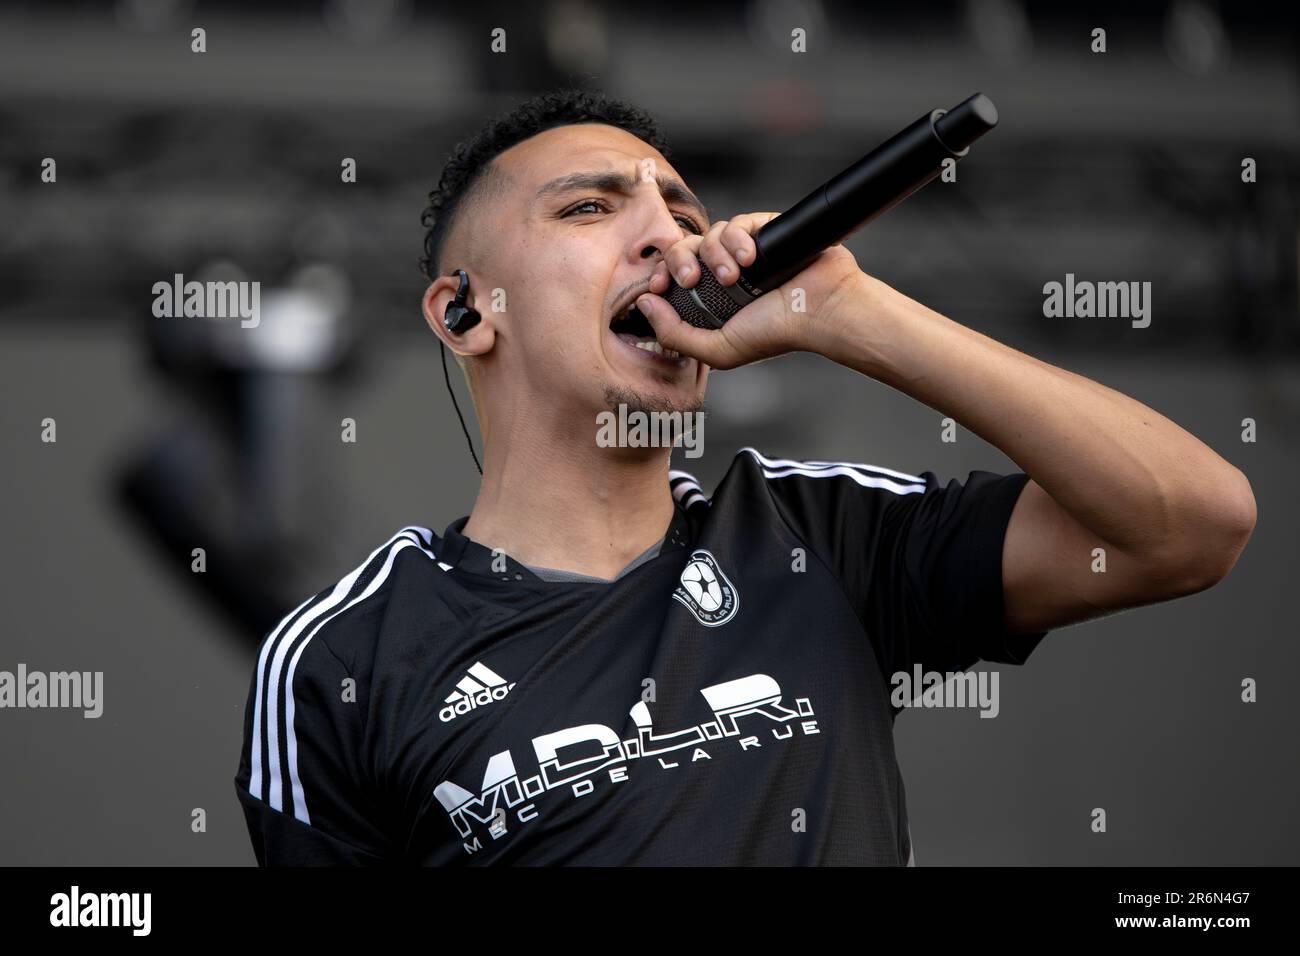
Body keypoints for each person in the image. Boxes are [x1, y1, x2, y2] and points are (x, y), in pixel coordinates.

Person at [234, 89, 1255, 865]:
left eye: (680, 212)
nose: (666, 236)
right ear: (464, 311)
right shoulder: (342, 656)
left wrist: (854, 315)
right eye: (590, 207)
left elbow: (1193, 523)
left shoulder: (822, 534)